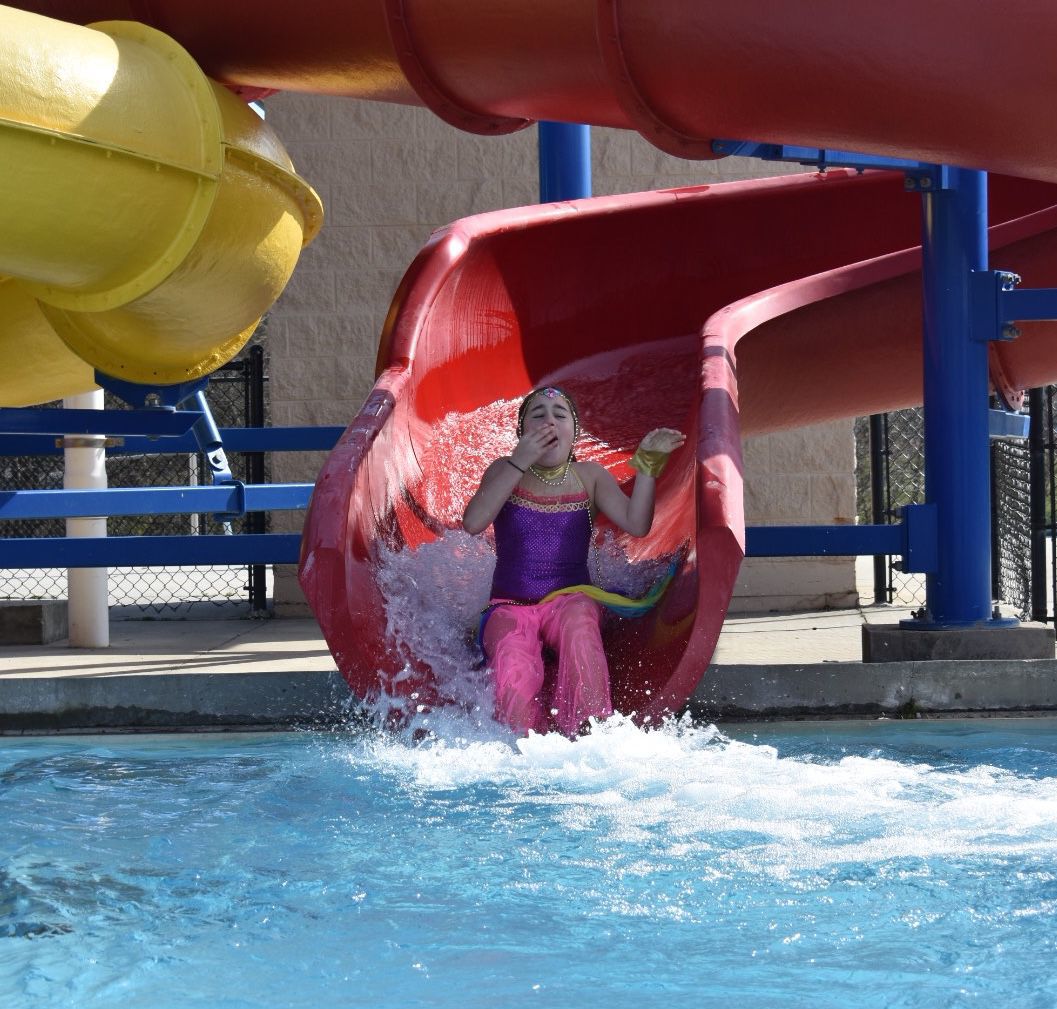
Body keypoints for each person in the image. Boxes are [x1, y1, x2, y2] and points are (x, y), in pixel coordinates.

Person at [462, 386, 685, 737]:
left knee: (580, 626)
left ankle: (590, 731)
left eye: (559, 415)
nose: (549, 420)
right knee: (509, 656)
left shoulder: (590, 477)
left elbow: (637, 524)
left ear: (574, 432)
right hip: (509, 605)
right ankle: (521, 739)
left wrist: (647, 466)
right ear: (522, 434)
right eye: (537, 415)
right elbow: (473, 523)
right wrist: (518, 461)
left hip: (570, 599)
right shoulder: (504, 472)